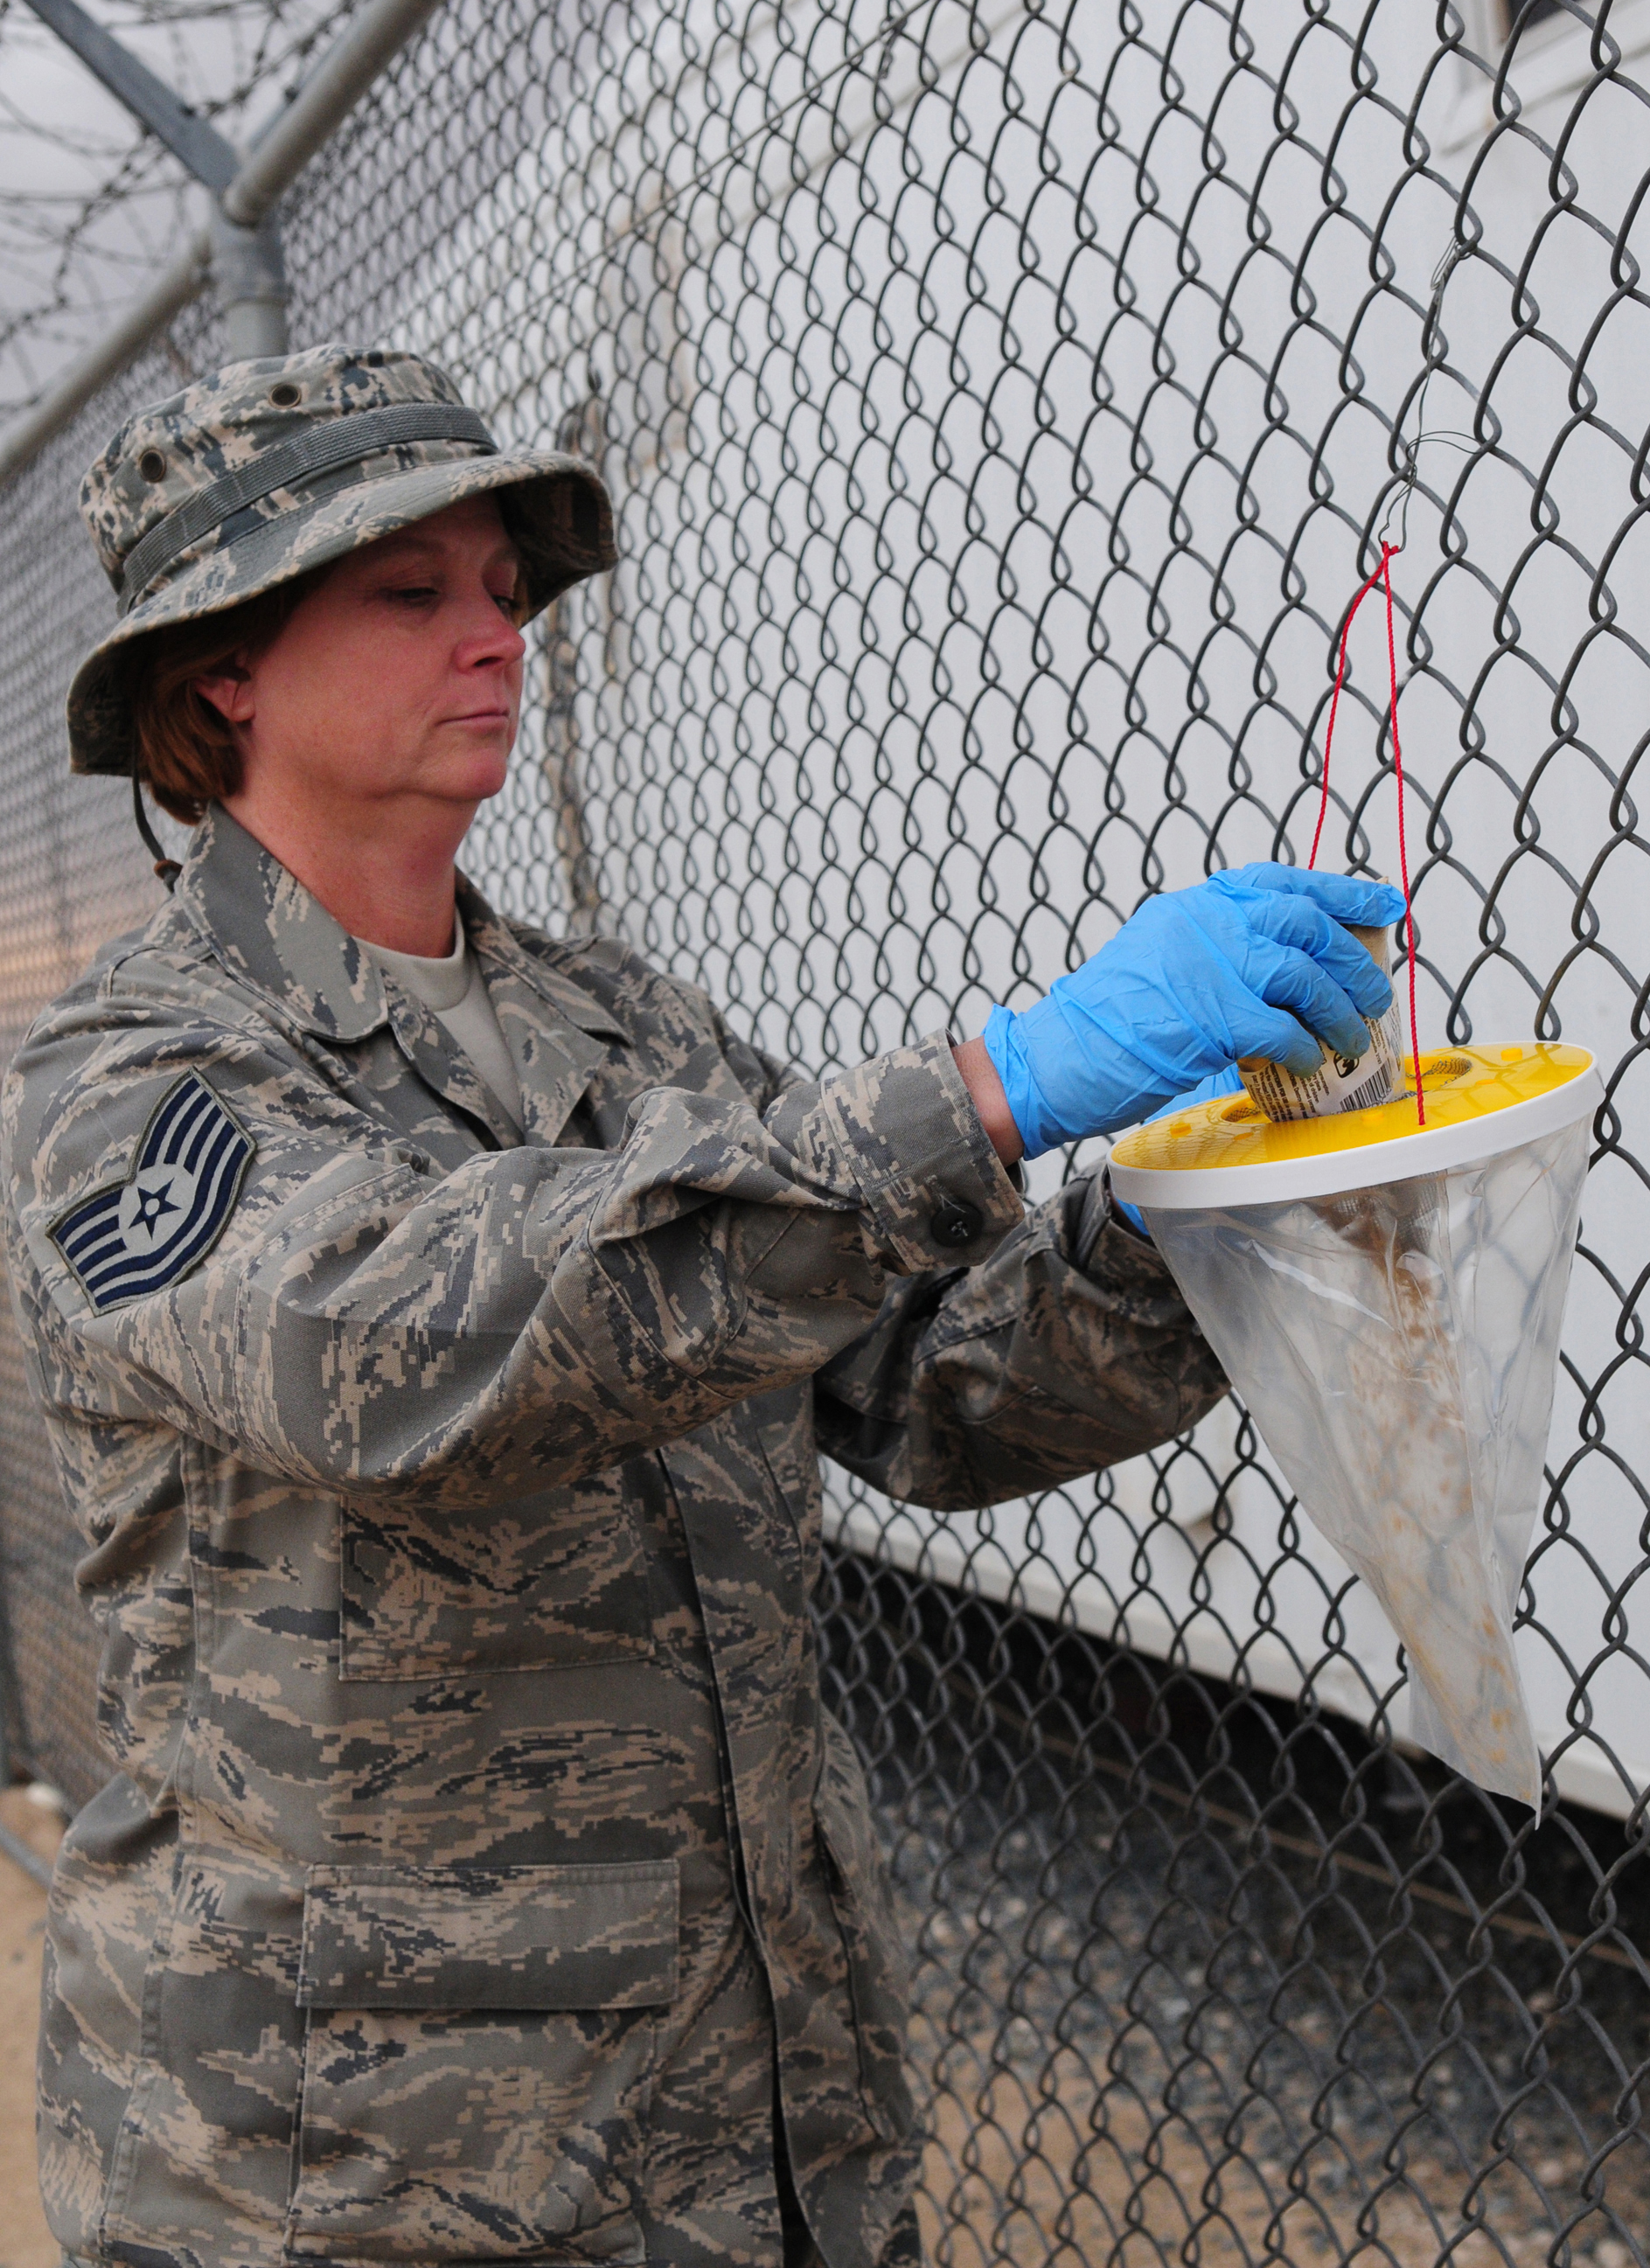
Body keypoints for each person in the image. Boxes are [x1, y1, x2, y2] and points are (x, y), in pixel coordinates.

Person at [1, 345, 1403, 2268]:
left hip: (753, 2113)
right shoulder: (130, 1075)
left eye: (505, 588)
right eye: (407, 590)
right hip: (355, 2166)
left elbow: (925, 1380)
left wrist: (1207, 1219)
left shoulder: (622, 1021)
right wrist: (993, 1086)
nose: (494, 635)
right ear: (221, 668)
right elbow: (405, 1353)